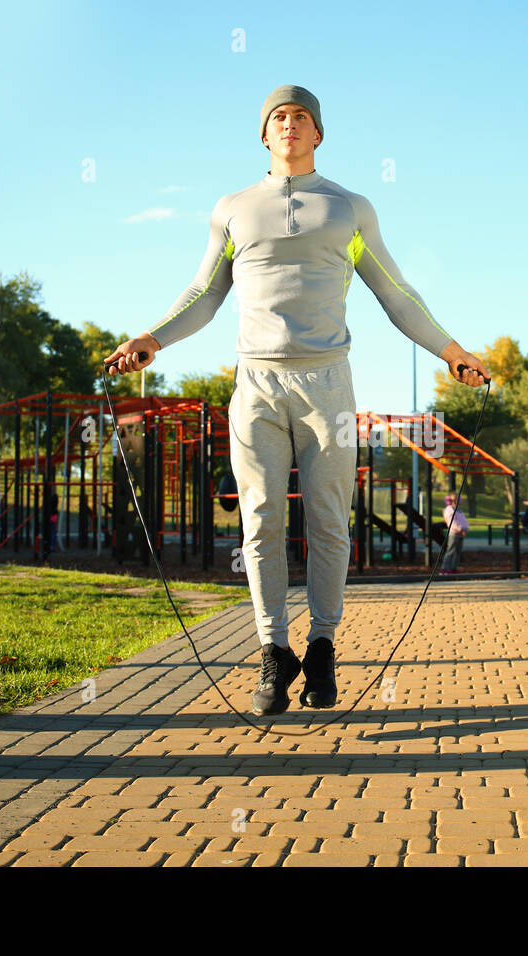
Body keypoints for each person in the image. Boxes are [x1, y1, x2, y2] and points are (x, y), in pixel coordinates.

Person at [103, 85, 490, 718]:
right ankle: (272, 650)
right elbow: (204, 292)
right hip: (254, 384)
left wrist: (452, 351)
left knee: (328, 520)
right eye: (278, 117)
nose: (289, 124)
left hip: (327, 384)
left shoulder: (349, 210)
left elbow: (396, 292)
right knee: (260, 522)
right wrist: (154, 338)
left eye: (301, 116)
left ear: (318, 134)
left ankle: (323, 646)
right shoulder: (233, 210)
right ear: (264, 135)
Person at [440, 493, 469, 574]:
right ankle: (444, 568)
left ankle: (453, 568)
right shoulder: (449, 509)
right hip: (454, 533)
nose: (456, 501)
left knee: (458, 551)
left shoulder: (459, 510)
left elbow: (464, 520)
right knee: (451, 550)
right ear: (450, 500)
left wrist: (466, 529)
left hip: (461, 533)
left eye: (457, 499)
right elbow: (452, 522)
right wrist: (460, 529)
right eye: (454, 499)